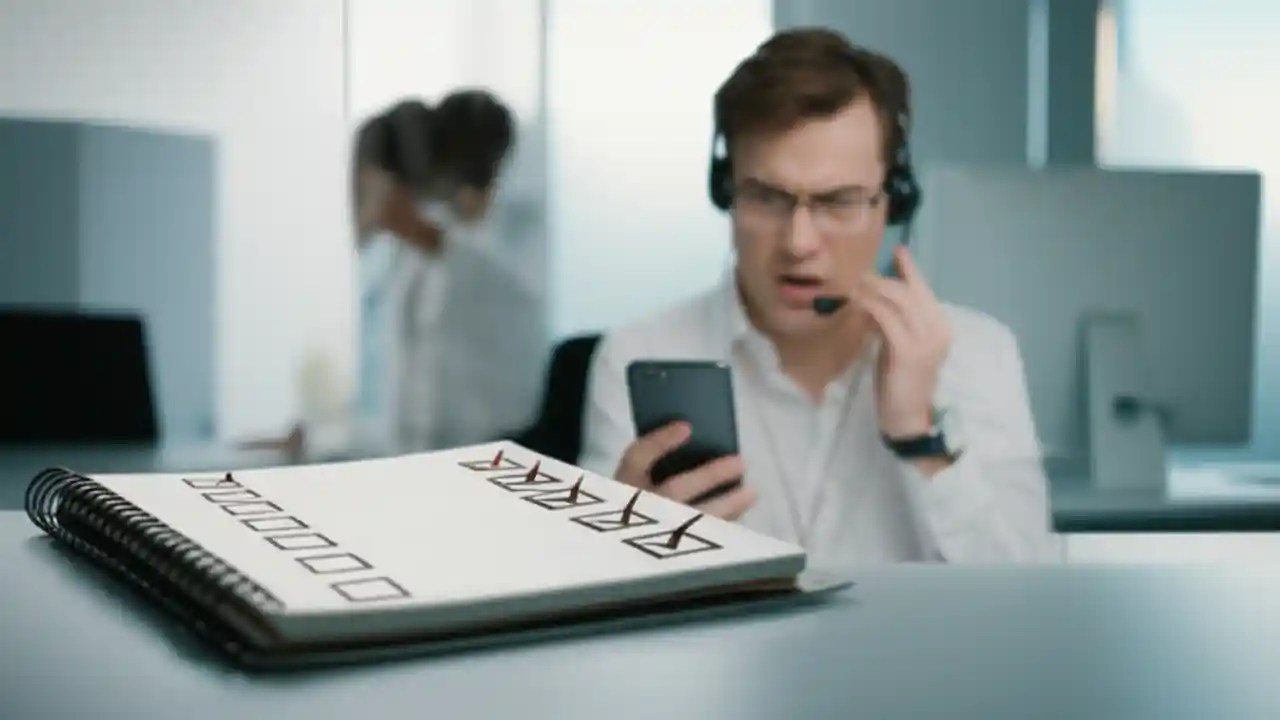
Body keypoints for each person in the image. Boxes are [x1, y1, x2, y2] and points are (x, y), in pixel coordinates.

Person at [578, 28, 1061, 566]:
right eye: (766, 197)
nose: (799, 242)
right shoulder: (638, 353)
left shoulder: (976, 353)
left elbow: (1028, 590)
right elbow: (599, 597)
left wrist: (921, 437)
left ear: (894, 201)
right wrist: (624, 541)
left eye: (839, 201)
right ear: (725, 190)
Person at [253, 90, 515, 460]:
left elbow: (438, 410)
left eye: (370, 184)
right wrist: (317, 437)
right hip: (426, 458)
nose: (363, 203)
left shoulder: (465, 264)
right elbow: (394, 407)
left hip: (465, 459)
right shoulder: (409, 265)